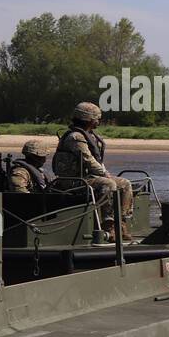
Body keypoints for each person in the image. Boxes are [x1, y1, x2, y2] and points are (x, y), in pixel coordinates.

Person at [51, 102, 135, 241]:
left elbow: (97, 161)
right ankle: (108, 225)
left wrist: (104, 172)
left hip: (89, 177)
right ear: (88, 119)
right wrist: (104, 174)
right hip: (73, 181)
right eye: (97, 118)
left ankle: (121, 223)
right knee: (108, 184)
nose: (98, 121)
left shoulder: (89, 135)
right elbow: (88, 160)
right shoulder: (76, 137)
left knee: (125, 184)